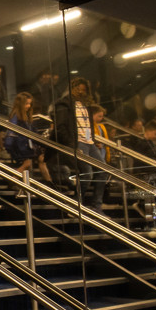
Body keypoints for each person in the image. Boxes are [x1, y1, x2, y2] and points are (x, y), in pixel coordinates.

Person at [53, 77, 107, 212]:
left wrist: (91, 140)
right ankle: (77, 201)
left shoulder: (85, 105)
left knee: (102, 171)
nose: (81, 92)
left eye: (84, 90)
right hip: (77, 142)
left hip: (88, 142)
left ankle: (96, 205)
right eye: (79, 89)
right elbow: (61, 126)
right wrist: (71, 143)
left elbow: (87, 125)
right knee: (87, 173)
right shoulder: (64, 104)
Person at [3, 91, 49, 181]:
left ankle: (48, 182)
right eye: (26, 104)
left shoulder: (25, 116)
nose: (29, 106)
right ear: (20, 104)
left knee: (36, 161)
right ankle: (13, 179)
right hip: (19, 146)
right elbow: (13, 134)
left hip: (24, 145)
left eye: (30, 104)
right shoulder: (16, 118)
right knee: (27, 164)